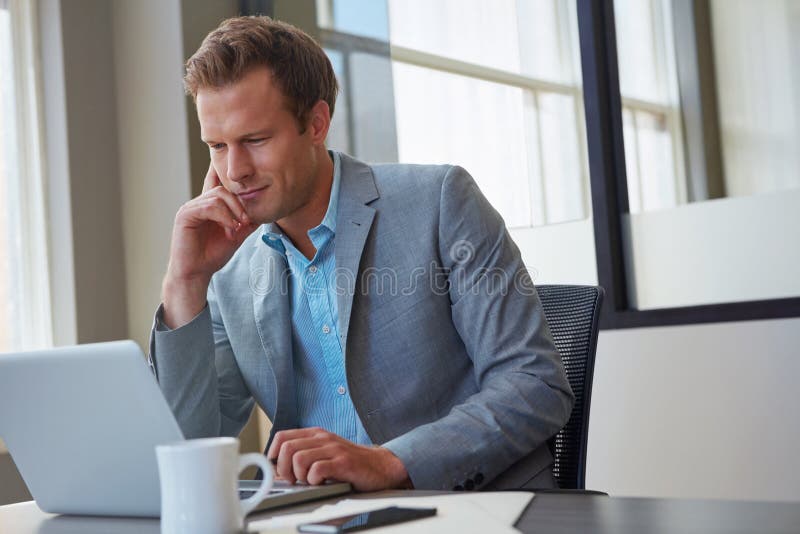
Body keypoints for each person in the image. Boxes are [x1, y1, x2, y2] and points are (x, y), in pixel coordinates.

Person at [148, 16, 574, 492]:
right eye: (217, 146)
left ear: (316, 124)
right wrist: (185, 282)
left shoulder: (439, 202)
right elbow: (188, 447)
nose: (235, 171)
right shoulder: (230, 272)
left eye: (255, 140)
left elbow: (535, 384)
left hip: (476, 507)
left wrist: (390, 462)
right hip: (320, 515)